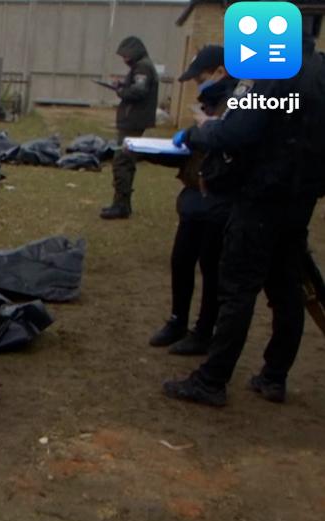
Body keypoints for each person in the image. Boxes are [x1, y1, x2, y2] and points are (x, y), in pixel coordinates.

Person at [163, 32, 323, 406]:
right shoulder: (318, 69)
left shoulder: (272, 73)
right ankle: (274, 376)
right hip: (299, 198)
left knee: (237, 289)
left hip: (261, 196)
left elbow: (239, 130)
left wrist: (201, 133)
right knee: (286, 289)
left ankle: (211, 380)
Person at [148, 46, 236, 355]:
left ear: (220, 72)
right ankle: (177, 321)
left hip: (219, 200)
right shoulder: (210, 103)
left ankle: (203, 330)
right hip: (194, 198)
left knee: (211, 268)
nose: (199, 84)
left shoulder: (238, 103)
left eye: (201, 77)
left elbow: (224, 143)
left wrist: (198, 133)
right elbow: (199, 151)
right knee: (181, 260)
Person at [101, 36, 159, 220]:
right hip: (133, 120)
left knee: (122, 161)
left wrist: (121, 91)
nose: (124, 60)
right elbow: (136, 86)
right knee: (126, 161)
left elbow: (139, 91)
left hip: (133, 121)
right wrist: (123, 85)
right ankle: (122, 203)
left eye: (126, 56)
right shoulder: (142, 66)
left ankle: (121, 205)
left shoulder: (142, 67)